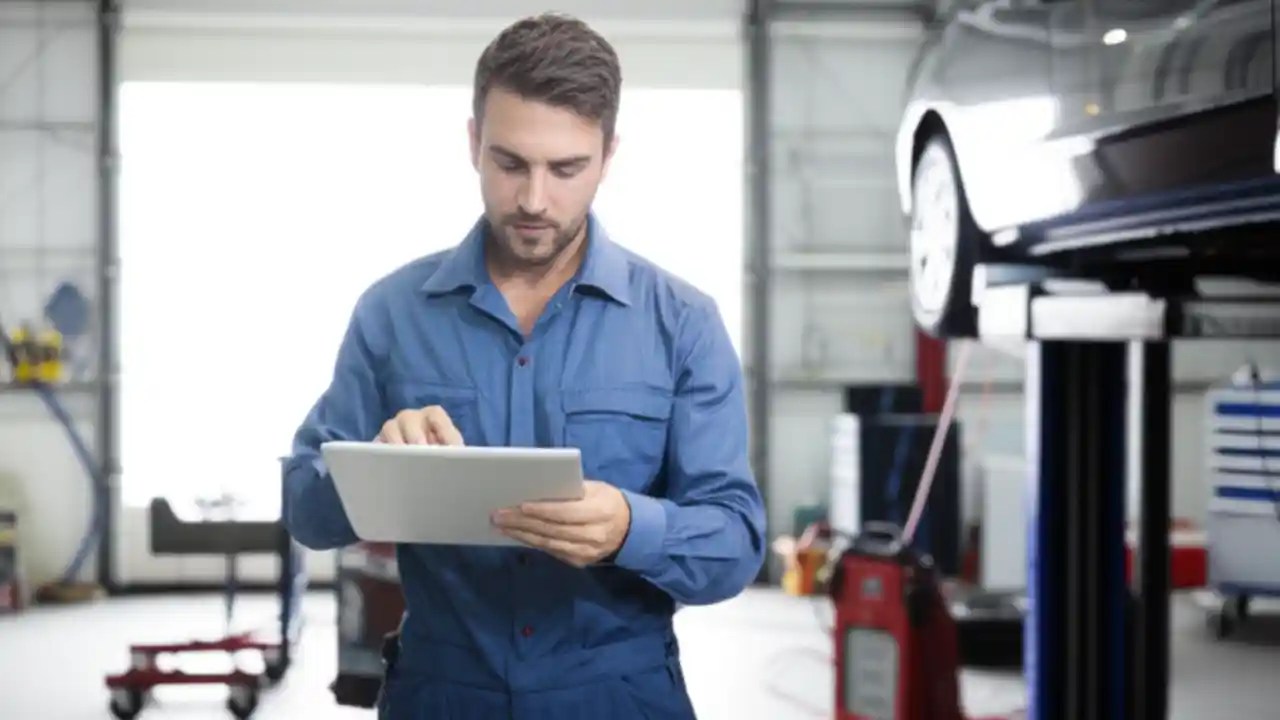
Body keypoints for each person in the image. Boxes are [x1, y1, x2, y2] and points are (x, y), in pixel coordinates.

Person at [283, 12, 767, 719]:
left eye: (566, 169)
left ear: (608, 155)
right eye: (510, 163)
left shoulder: (682, 324)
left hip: (619, 694)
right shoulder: (392, 314)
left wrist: (632, 528)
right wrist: (373, 471)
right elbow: (304, 507)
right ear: (473, 142)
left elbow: (735, 544)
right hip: (442, 692)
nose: (535, 200)